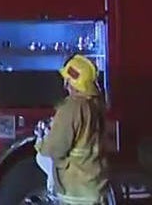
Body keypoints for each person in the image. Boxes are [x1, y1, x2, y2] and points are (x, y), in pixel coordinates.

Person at [34, 54, 110, 204]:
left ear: (71, 81)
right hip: (95, 188)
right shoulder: (96, 105)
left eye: (67, 80)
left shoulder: (71, 108)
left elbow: (56, 148)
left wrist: (41, 144)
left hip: (76, 192)